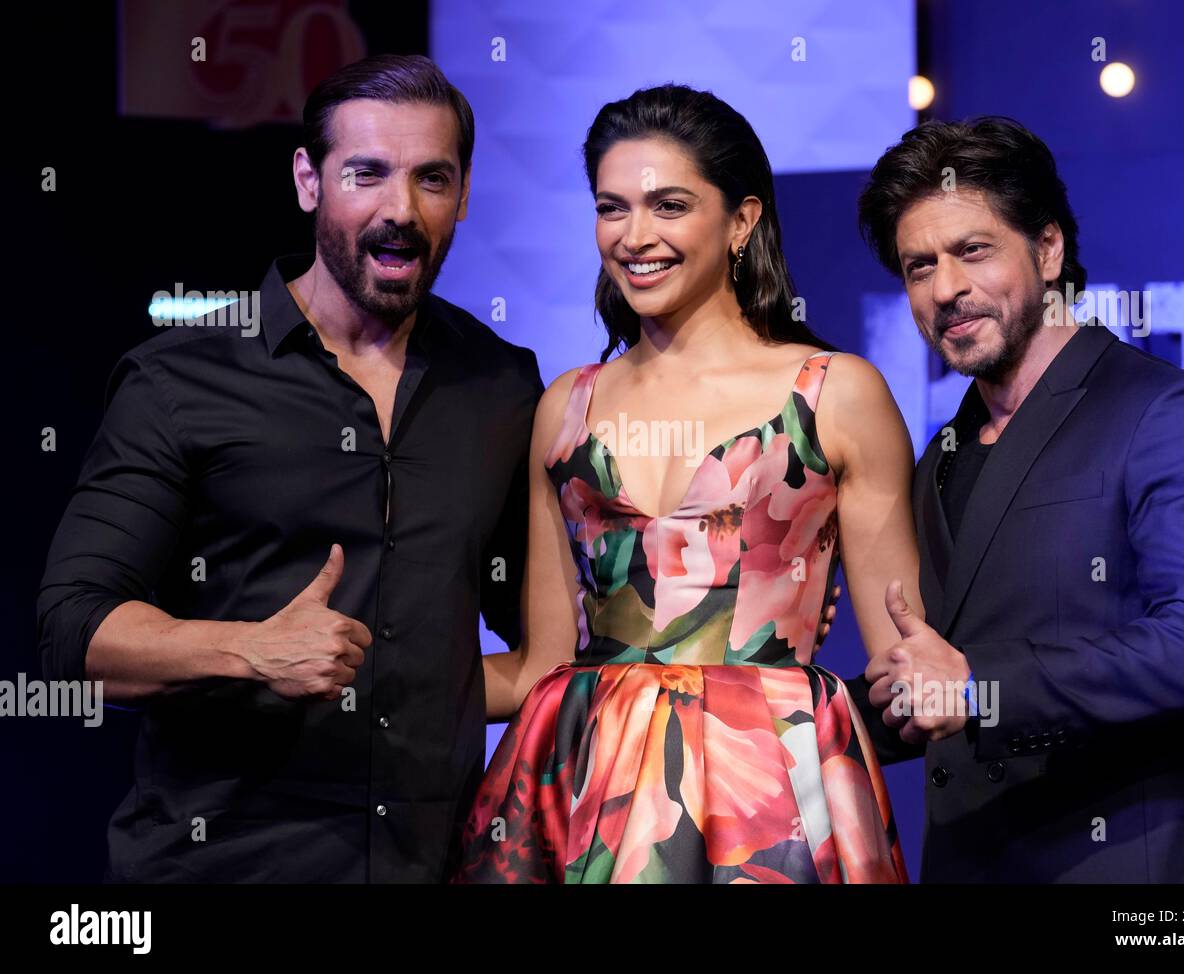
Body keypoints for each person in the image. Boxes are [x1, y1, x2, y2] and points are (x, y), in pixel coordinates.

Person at [36, 55, 543, 882]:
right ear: (308, 180)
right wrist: (251, 651)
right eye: (366, 174)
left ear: (464, 192)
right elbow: (72, 627)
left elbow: (537, 643)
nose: (400, 212)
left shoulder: (500, 383)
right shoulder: (182, 379)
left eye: (431, 179)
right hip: (227, 865)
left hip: (436, 865)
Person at [453, 85, 919, 884]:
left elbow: (904, 663)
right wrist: (363, 694)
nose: (636, 236)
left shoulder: (836, 391)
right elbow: (540, 667)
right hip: (579, 787)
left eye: (669, 205)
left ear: (742, 221)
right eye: (612, 207)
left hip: (770, 795)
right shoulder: (565, 405)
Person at [845, 116, 1184, 882]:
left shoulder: (1169, 412)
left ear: (1047, 249)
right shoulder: (938, 456)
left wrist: (980, 686)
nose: (946, 289)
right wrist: (747, 712)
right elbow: (929, 689)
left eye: (973, 251)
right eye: (918, 266)